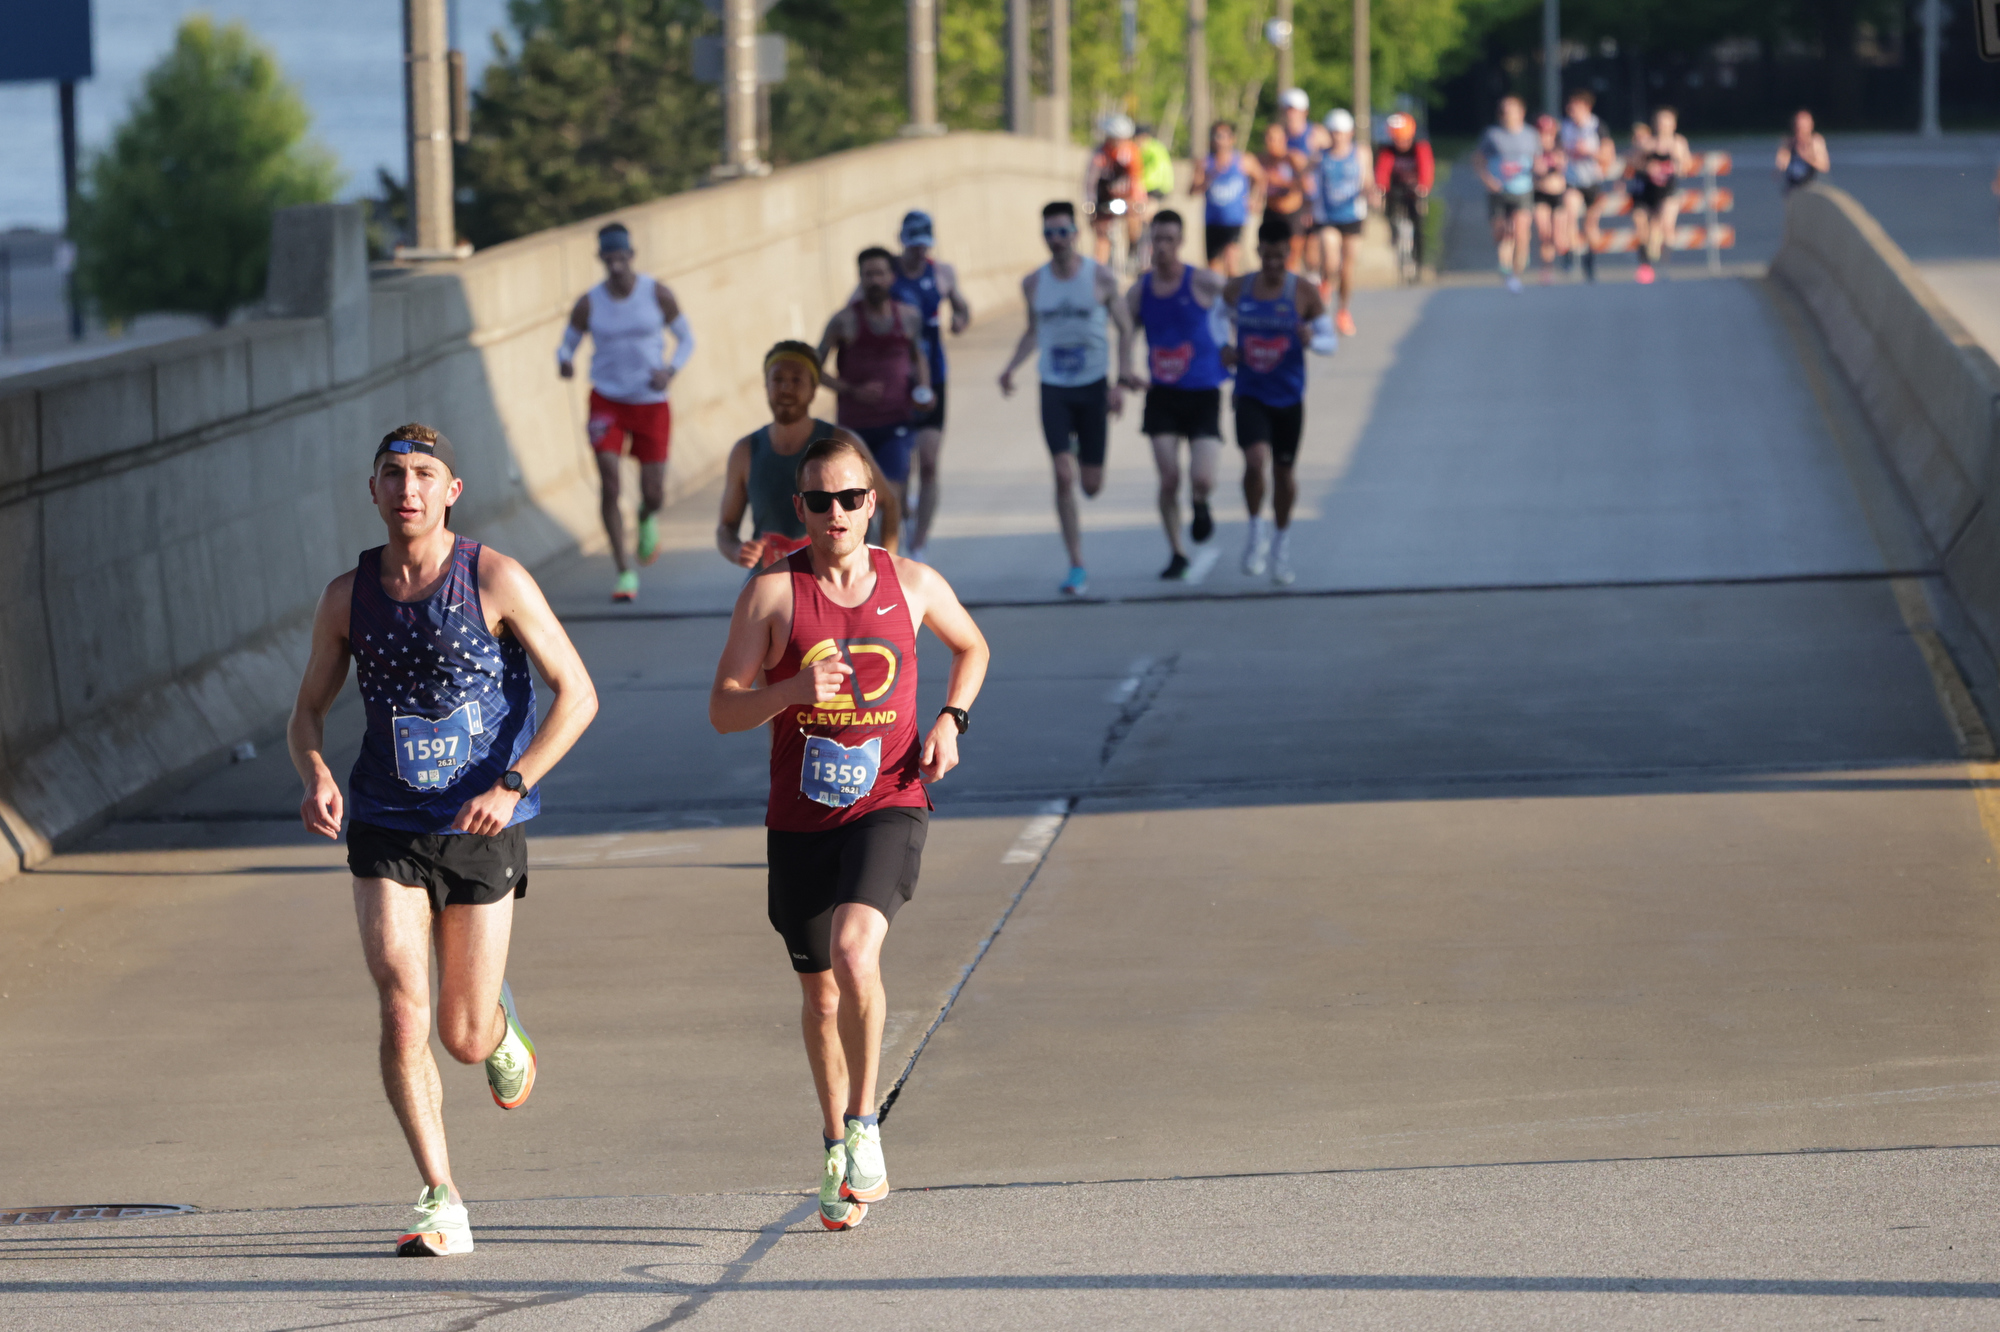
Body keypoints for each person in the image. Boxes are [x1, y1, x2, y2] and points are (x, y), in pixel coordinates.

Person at [288, 424, 599, 1257]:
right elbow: (306, 712)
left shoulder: (492, 577)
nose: (409, 488)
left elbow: (578, 694)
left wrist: (514, 783)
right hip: (386, 820)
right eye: (393, 474)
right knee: (400, 1010)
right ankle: (440, 1195)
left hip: (479, 823)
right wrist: (315, 770)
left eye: (425, 474)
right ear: (374, 490)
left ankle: (499, 1028)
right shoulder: (347, 597)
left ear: (452, 490)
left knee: (460, 1035)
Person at [709, 434, 990, 1233]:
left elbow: (972, 647)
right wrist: (792, 687)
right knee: (821, 997)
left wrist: (951, 718)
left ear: (872, 502)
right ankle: (834, 1139)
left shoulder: (914, 584)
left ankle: (866, 1127)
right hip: (800, 820)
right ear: (799, 509)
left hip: (890, 799)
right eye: (818, 501)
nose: (836, 514)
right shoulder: (772, 596)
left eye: (849, 498)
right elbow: (724, 710)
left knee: (854, 952)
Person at [998, 202, 1134, 596]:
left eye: (1063, 232)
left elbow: (1125, 330)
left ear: (1076, 234)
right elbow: (1032, 332)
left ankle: (1076, 454)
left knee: (1091, 486)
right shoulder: (1034, 284)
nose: (1056, 240)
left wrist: (1120, 381)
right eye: (1049, 233)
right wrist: (1011, 367)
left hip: (1093, 386)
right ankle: (1077, 563)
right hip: (1054, 388)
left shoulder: (1101, 277)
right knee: (1062, 476)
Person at [556, 222, 694, 603]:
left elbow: (687, 338)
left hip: (650, 401)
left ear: (631, 256)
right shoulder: (590, 302)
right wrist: (565, 361)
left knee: (655, 492)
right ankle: (623, 570)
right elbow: (566, 345)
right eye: (609, 258)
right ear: (601, 259)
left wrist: (670, 370)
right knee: (610, 481)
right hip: (608, 401)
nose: (616, 265)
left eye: (622, 257)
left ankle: (647, 515)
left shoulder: (656, 293)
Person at [717, 342, 902, 571]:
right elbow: (725, 528)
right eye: (778, 379)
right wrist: (737, 550)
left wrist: (884, 570)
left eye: (797, 380)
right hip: (771, 584)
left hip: (836, 586)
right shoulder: (745, 451)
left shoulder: (843, 443)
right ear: (766, 385)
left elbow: (889, 502)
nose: (786, 388)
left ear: (814, 388)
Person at [1224, 217, 1336, 587]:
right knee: (1256, 462)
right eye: (1266, 256)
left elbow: (1329, 341)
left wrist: (1311, 340)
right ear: (1257, 252)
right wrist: (1223, 348)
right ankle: (1256, 532)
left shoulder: (1303, 292)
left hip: (1288, 397)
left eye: (1280, 257)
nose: (1273, 265)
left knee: (1284, 475)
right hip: (1251, 392)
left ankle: (1281, 544)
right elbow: (1213, 319)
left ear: (1291, 253)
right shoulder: (1239, 289)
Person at [1122, 209, 1229, 580]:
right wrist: (1124, 371)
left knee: (1202, 478)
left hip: (1203, 392)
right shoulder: (1141, 291)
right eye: (1157, 239)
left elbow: (1237, 304)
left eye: (1169, 239)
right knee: (1168, 479)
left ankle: (1200, 503)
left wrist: (1233, 347)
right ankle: (1177, 552)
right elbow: (1125, 330)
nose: (1162, 247)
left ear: (1181, 243)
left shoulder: (1202, 281)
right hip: (1162, 395)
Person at [818, 248, 933, 527]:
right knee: (855, 508)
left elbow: (918, 357)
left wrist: (925, 391)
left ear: (892, 277)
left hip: (896, 422)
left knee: (892, 498)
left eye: (880, 273)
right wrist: (850, 390)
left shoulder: (908, 317)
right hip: (854, 428)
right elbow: (813, 368)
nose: (874, 280)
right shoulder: (843, 321)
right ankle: (860, 566)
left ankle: (889, 565)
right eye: (868, 274)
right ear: (860, 278)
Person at [887, 211, 970, 563]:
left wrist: (959, 320)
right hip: (898, 381)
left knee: (930, 464)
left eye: (925, 246)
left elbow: (963, 307)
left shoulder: (942, 273)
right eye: (914, 246)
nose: (920, 253)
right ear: (902, 241)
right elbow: (854, 308)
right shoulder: (886, 275)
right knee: (901, 470)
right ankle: (904, 521)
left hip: (934, 377)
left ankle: (918, 545)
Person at [1312, 109, 1374, 335]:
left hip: (1352, 215)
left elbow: (1368, 180)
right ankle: (1326, 280)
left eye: (1342, 133)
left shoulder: (1361, 153)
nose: (1338, 137)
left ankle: (1343, 311)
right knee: (1330, 260)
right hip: (1327, 217)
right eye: (1334, 133)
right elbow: (1305, 174)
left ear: (1350, 133)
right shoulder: (1320, 155)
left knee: (1348, 269)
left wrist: (1371, 193)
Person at [1476, 96, 1538, 294]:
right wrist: (1488, 180)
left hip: (1523, 189)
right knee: (1501, 232)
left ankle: (1516, 272)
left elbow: (1539, 160)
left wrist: (1540, 174)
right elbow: (1478, 160)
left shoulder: (1531, 135)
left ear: (1521, 112)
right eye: (1502, 110)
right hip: (1498, 190)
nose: (1506, 114)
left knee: (1520, 231)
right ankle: (1505, 262)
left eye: (1510, 110)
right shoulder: (1492, 135)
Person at [1192, 121, 1265, 276]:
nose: (1220, 140)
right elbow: (1192, 190)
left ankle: (1234, 298)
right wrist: (1207, 179)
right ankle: (1219, 300)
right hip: (1213, 221)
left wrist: (1255, 199)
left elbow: (1261, 178)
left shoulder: (1244, 160)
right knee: (1213, 270)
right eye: (1217, 136)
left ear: (1232, 139)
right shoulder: (1205, 163)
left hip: (1235, 221)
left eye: (1225, 136)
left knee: (1232, 263)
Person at [1559, 91, 1615, 282]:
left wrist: (1589, 152)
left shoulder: (1597, 127)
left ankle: (1589, 259)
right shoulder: (1564, 127)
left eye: (1574, 108)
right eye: (1569, 108)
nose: (1571, 111)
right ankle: (1570, 253)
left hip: (1594, 182)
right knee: (1569, 213)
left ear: (1586, 108)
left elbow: (1608, 156)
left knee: (1590, 225)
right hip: (1572, 181)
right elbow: (1555, 151)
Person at [1633, 107, 1693, 285]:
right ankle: (1646, 265)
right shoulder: (1647, 143)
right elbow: (1633, 163)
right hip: (1648, 191)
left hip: (1669, 190)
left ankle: (1666, 266)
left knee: (1667, 225)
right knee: (1644, 228)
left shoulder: (1679, 143)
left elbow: (1687, 166)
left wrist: (1678, 162)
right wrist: (1646, 167)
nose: (1663, 126)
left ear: (1673, 124)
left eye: (1667, 122)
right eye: (1660, 122)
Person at [1278, 88, 1332, 279]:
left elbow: (1332, 163)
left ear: (1305, 112)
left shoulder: (1316, 134)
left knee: (1312, 250)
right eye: (1287, 109)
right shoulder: (1279, 136)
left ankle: (1317, 283)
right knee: (1291, 250)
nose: (1291, 114)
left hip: (1313, 199)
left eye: (1295, 110)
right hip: (1289, 199)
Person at [1375, 112, 1434, 278]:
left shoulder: (1420, 146)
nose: (1400, 143)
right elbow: (1382, 171)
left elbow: (1426, 169)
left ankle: (1419, 261)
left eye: (1403, 139)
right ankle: (1394, 235)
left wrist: (1423, 187)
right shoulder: (1387, 150)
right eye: (1397, 139)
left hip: (1415, 190)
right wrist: (1381, 188)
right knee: (1390, 213)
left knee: (1419, 223)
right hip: (1395, 189)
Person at [1087, 115, 1145, 267]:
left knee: (1135, 215)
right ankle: (1098, 268)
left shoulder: (1132, 153)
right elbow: (1090, 182)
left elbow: (1136, 181)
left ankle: (1133, 250)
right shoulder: (1099, 154)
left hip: (1126, 198)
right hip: (1104, 199)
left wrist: (1137, 201)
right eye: (1114, 139)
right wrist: (1090, 204)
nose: (1118, 143)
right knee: (1102, 233)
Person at [1257, 121, 1313, 274]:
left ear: (1284, 140)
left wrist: (1282, 182)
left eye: (1274, 139)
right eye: (1268, 139)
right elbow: (1254, 187)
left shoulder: (1293, 158)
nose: (1271, 143)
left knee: (1291, 258)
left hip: (1292, 213)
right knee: (1268, 256)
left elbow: (1308, 186)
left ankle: (1289, 292)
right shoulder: (1262, 160)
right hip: (1271, 212)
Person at [1531, 114, 1569, 285]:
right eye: (1541, 133)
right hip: (1539, 194)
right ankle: (1547, 268)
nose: (1545, 136)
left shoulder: (1560, 148)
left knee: (1557, 237)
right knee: (1543, 233)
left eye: (1549, 132)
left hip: (1557, 195)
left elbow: (1564, 167)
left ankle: (1566, 252)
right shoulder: (1533, 150)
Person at [1776, 108, 1830, 193]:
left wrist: (1806, 156)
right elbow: (1779, 168)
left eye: (1803, 127)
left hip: (1811, 187)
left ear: (1810, 126)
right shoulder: (1788, 142)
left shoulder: (1815, 142)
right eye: (1798, 127)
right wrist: (1785, 155)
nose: (1800, 131)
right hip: (1792, 187)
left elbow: (1824, 167)